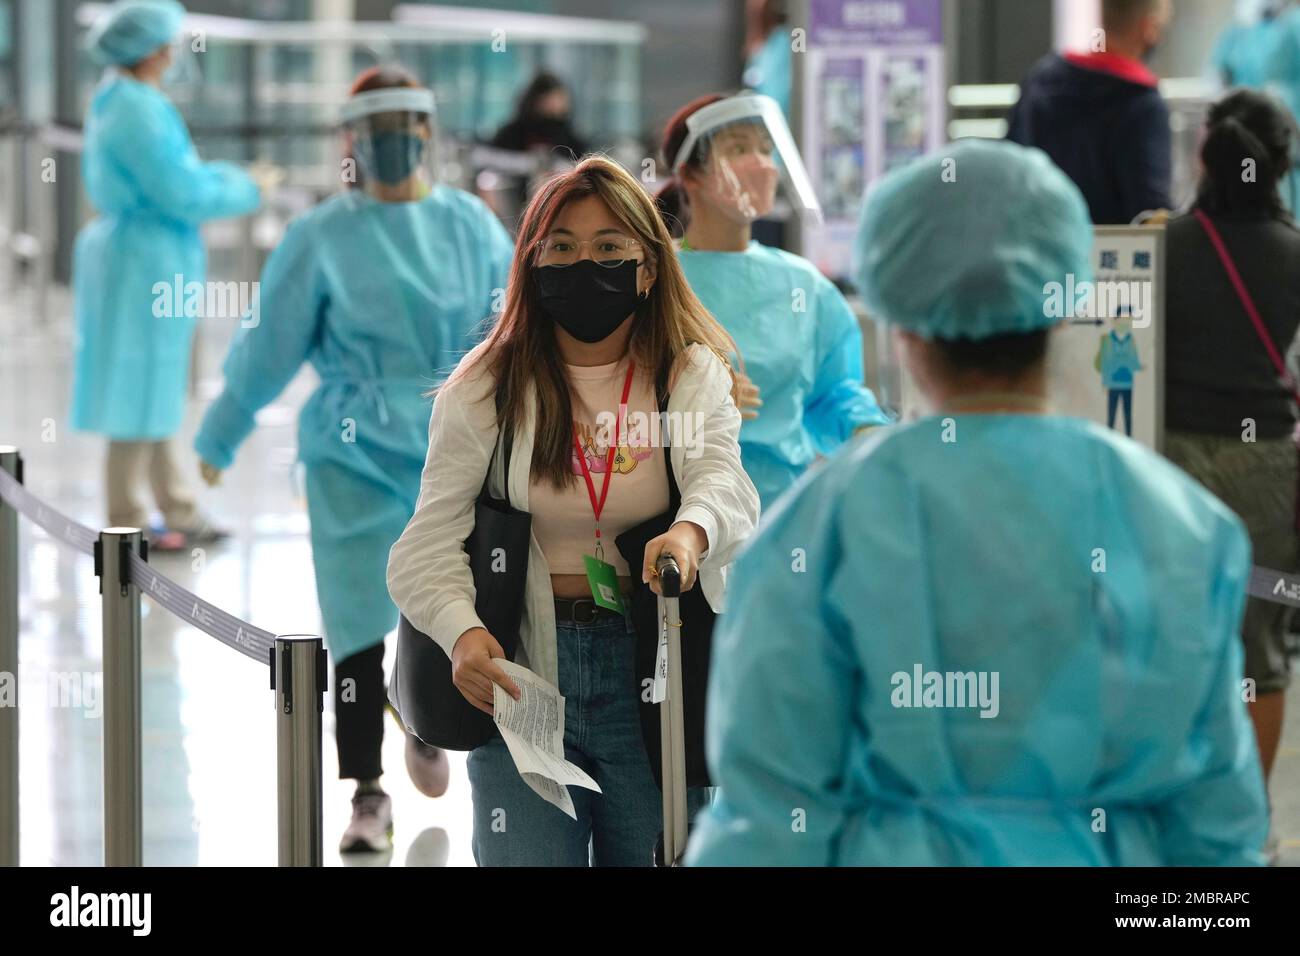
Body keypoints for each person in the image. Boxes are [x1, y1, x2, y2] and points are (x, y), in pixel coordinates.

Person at [687, 139, 1269, 867]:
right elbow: (1218, 828)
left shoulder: (818, 526)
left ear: (900, 326)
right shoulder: (1184, 524)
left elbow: (767, 819)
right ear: (1062, 312)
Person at [387, 155, 759, 867]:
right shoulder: (487, 387)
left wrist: (689, 530)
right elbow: (425, 544)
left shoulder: (686, 371)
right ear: (531, 265)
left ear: (648, 266)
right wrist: (463, 635)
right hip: (520, 672)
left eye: (610, 248)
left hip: (653, 668)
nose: (584, 264)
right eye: (560, 248)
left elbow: (723, 480)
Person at [193, 66, 514, 854]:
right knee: (355, 622)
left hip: (453, 445)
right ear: (350, 140)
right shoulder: (320, 235)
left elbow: (513, 325)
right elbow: (269, 345)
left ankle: (430, 722)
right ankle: (367, 788)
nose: (392, 143)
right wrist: (220, 433)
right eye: (375, 129)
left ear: (430, 131)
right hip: (351, 454)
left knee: (444, 604)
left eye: (407, 123)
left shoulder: (470, 225)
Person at [71, 0, 261, 551]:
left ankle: (174, 506)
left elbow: (174, 179)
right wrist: (245, 187)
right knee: (139, 386)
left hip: (139, 257)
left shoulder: (121, 97)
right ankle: (125, 523)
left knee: (152, 387)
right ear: (153, 51)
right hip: (144, 263)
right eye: (169, 44)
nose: (175, 53)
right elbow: (180, 190)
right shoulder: (136, 110)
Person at [658, 92, 890, 510]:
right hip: (673, 518)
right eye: (739, 149)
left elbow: (833, 395)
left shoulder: (804, 286)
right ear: (690, 175)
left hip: (779, 515)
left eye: (767, 150)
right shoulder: (655, 277)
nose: (762, 164)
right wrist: (691, 397)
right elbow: (610, 397)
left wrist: (872, 436)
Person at [1164, 89, 1300, 796]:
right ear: (1282, 162)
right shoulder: (1293, 252)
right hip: (1272, 478)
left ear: (1204, 155)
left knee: (1171, 639)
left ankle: (1176, 817)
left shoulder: (1165, 246)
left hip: (1170, 471)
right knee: (1261, 653)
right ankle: (1247, 830)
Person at [1007, 0, 1174, 224]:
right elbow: (1150, 213)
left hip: (1035, 244)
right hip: (1109, 255)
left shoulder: (1040, 81)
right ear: (1148, 28)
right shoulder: (1142, 105)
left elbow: (1009, 167)